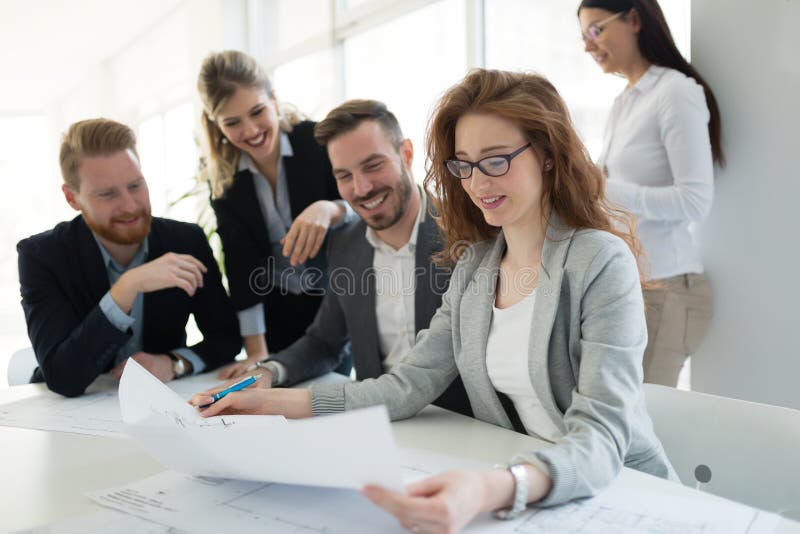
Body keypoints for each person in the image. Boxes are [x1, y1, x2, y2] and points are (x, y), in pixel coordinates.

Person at [191, 69, 677, 531]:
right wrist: (266, 401)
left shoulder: (599, 261)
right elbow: (404, 386)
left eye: (497, 159)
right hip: (528, 496)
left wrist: (496, 487)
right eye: (464, 165)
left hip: (619, 495)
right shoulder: (474, 267)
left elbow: (601, 436)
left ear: (547, 153)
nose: (479, 183)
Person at [218, 99, 472, 417]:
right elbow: (324, 342)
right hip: (376, 423)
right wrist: (269, 372)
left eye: (373, 165)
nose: (362, 188)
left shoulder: (464, 232)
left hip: (462, 425)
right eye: (344, 176)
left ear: (406, 154)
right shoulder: (345, 246)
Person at [17, 118, 240, 397]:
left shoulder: (185, 241)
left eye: (135, 185)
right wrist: (126, 288)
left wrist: (174, 363)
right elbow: (63, 377)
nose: (130, 205)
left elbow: (227, 338)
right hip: (72, 414)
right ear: (72, 198)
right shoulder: (42, 256)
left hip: (160, 407)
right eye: (108, 194)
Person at [578, 0, 721, 386]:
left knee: (646, 421)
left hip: (670, 289)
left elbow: (694, 201)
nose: (588, 46)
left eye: (596, 30)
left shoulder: (675, 92)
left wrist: (603, 188)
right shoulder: (623, 103)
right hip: (631, 285)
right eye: (583, 37)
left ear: (635, 20)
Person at [197, 50, 354, 376]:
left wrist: (331, 208)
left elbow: (364, 208)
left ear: (273, 99)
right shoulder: (224, 177)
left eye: (257, 111)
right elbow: (240, 263)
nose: (251, 130)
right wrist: (255, 351)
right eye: (232, 122)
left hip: (337, 304)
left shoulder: (317, 141)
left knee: (333, 394)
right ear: (216, 124)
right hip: (276, 311)